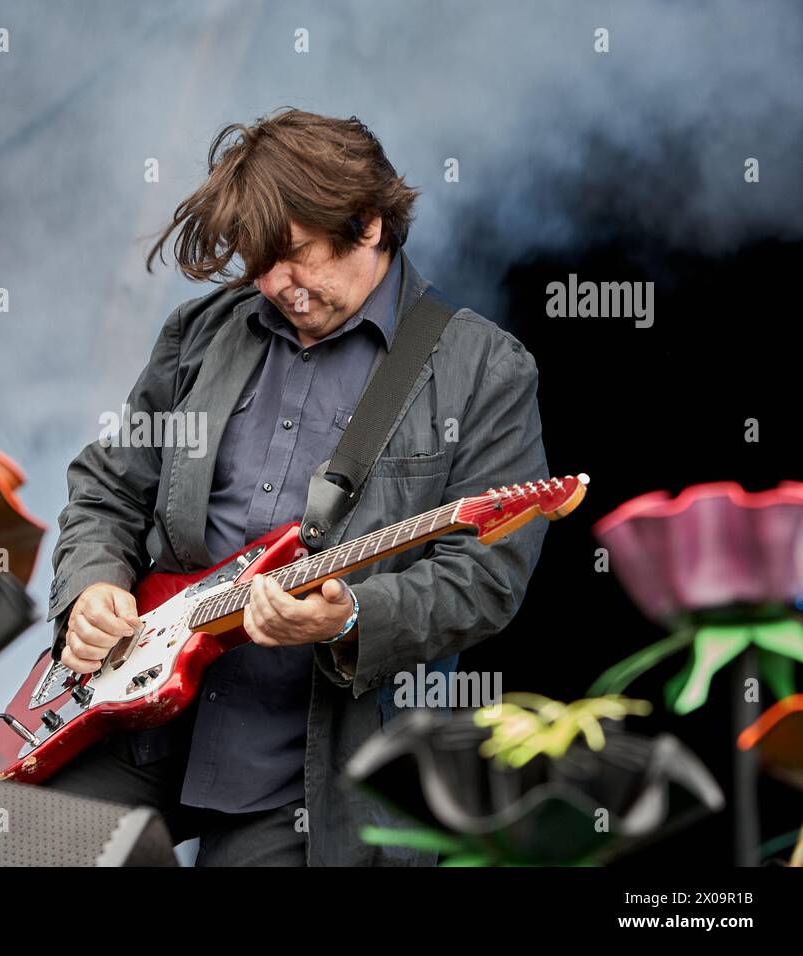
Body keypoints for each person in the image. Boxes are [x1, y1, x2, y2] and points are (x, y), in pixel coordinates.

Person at [42, 108, 548, 866]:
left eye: (296, 256)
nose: (275, 284)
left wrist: (351, 618)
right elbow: (111, 487)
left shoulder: (483, 371)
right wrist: (90, 587)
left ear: (369, 224)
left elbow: (486, 579)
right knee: (1, 834)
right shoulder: (202, 333)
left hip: (308, 767)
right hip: (139, 719)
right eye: (257, 263)